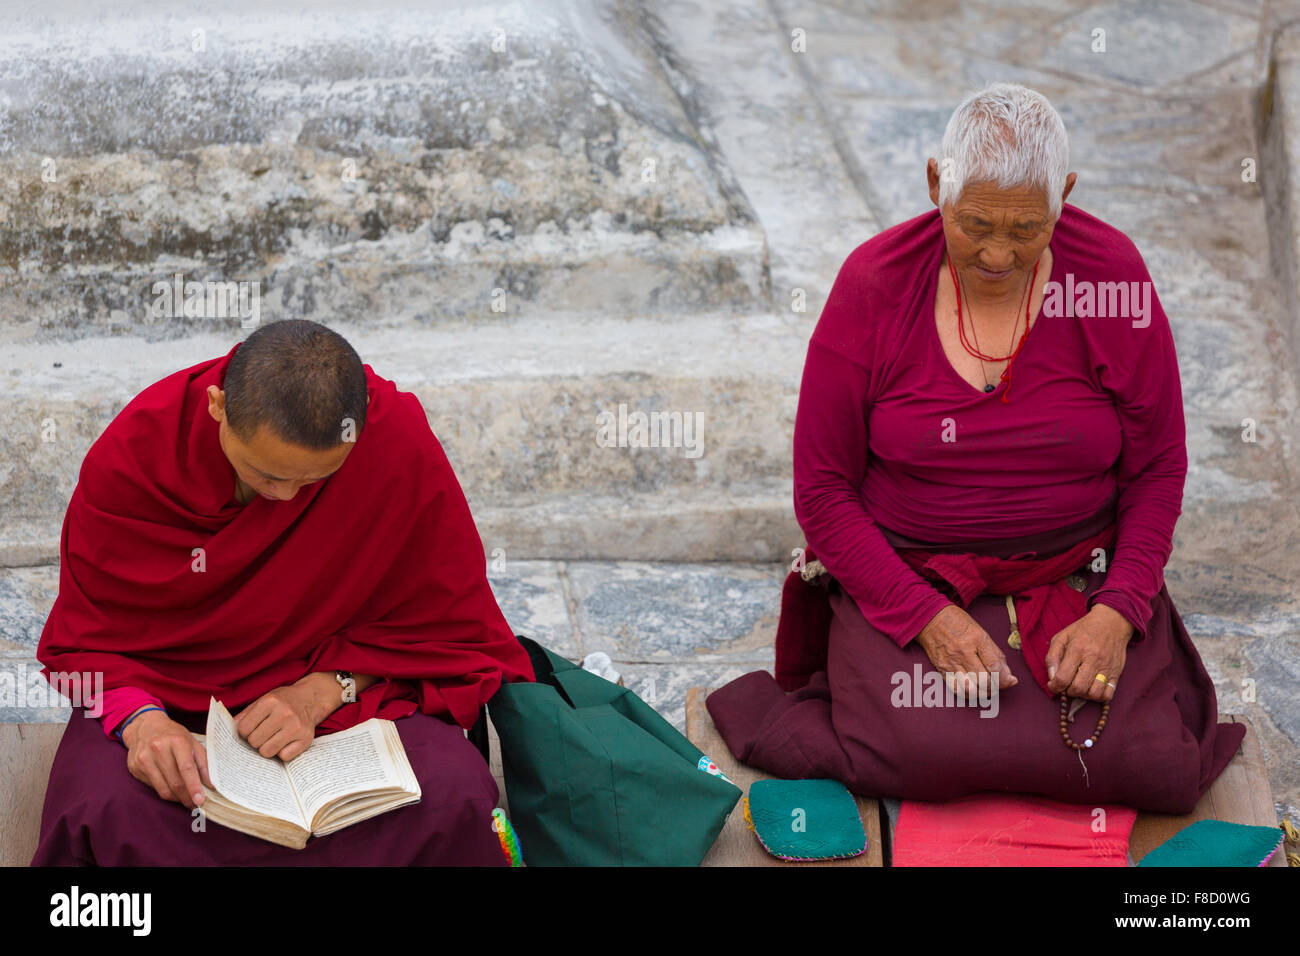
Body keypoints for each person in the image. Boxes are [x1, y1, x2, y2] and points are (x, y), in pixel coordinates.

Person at [706, 82, 1244, 814]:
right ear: (936, 183)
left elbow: (1156, 468)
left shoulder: (1110, 278)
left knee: (1145, 764)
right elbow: (823, 490)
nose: (997, 253)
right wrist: (927, 619)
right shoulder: (873, 286)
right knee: (922, 751)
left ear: (1065, 197)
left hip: (1078, 578)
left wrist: (1117, 613)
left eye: (1027, 230)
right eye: (975, 223)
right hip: (912, 576)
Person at [32, 319, 533, 865]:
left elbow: (441, 626)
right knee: (101, 810)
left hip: (343, 703)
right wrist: (141, 723)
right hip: (166, 695)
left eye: (312, 482)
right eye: (266, 475)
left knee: (452, 796)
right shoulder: (138, 454)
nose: (286, 497)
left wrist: (327, 689)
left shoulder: (393, 441)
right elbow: (91, 635)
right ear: (218, 406)